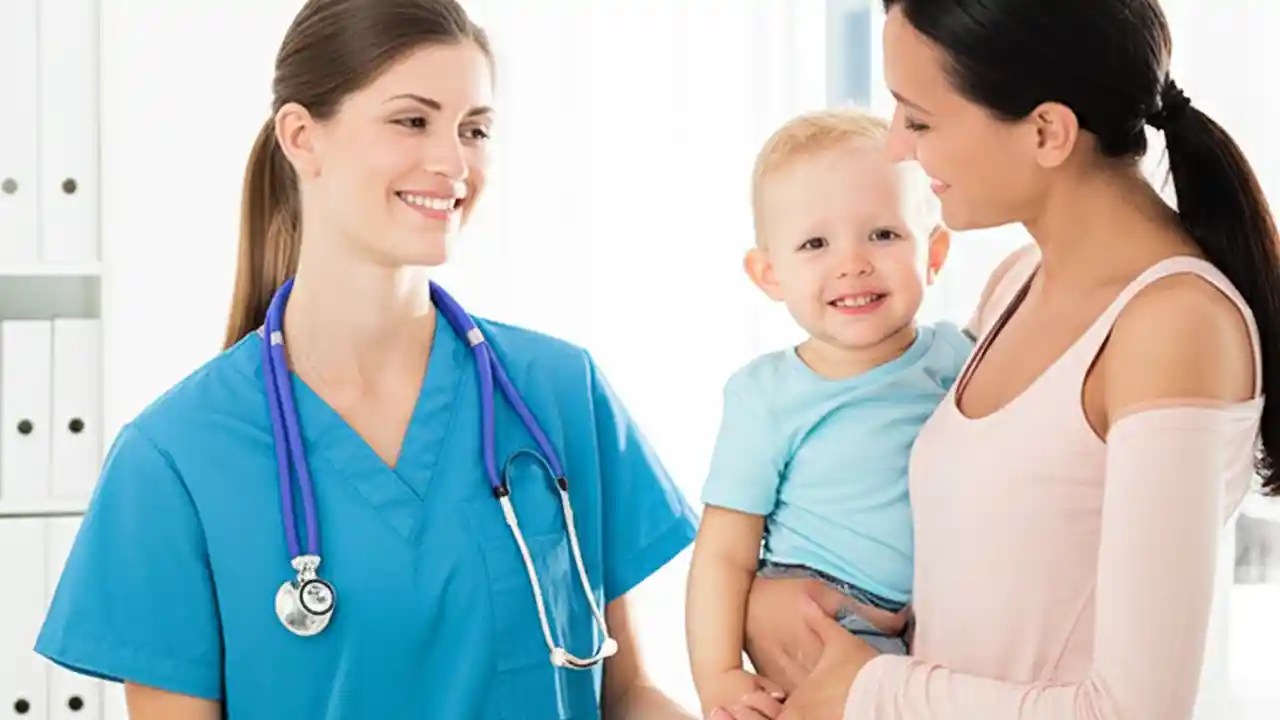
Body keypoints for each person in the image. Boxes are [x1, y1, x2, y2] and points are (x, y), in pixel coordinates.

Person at [33, 1, 699, 718]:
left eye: (474, 129)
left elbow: (625, 694)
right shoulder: (174, 460)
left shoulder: (560, 396)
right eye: (412, 121)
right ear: (301, 137)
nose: (453, 163)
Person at [717, 0, 1280, 718]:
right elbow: (985, 598)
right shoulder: (1016, 282)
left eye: (919, 119)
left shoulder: (1173, 328)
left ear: (1047, 131)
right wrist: (792, 603)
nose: (896, 145)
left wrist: (867, 689)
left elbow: (1135, 710)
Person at [685, 107, 968, 718]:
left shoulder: (960, 358)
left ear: (935, 252)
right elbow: (724, 551)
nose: (852, 263)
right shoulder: (766, 396)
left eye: (884, 234)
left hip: (943, 628)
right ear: (770, 274)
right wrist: (719, 674)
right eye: (815, 243)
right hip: (820, 616)